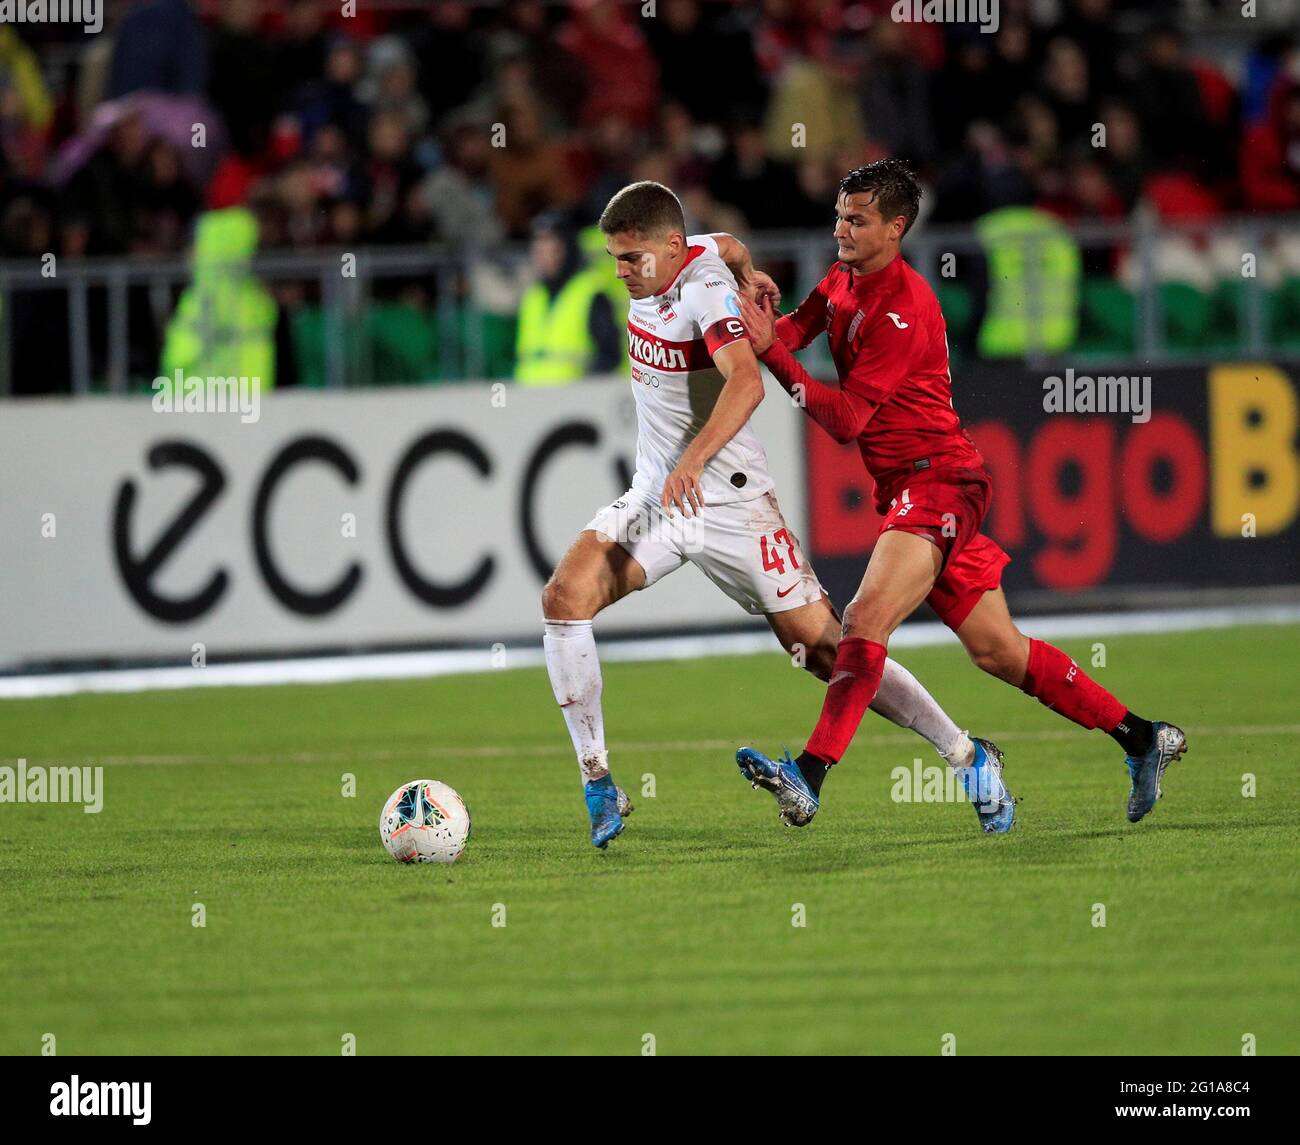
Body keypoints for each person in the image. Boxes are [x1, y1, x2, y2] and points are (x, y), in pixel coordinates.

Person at [541, 181, 1009, 849]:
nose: (619, 273)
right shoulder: (697, 254)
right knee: (564, 598)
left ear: (670, 249)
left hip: (728, 497)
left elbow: (748, 381)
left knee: (826, 650)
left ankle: (967, 756)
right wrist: (751, 269)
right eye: (614, 258)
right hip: (658, 496)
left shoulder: (701, 295)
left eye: (630, 259)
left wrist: (694, 459)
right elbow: (726, 245)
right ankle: (598, 781)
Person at [735, 159, 1186, 829]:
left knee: (863, 621)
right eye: (838, 215)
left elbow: (846, 421)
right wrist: (759, 318)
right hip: (910, 488)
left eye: (855, 219)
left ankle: (810, 774)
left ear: (895, 227)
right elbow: (798, 329)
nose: (840, 229)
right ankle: (1144, 737)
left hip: (940, 480)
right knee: (999, 650)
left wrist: (770, 354)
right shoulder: (844, 277)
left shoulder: (903, 308)